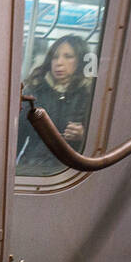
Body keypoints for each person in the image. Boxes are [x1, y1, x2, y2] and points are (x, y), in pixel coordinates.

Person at [17, 34, 95, 174]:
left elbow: (102, 141)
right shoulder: (35, 91)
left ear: (80, 60)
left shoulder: (90, 95)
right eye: (55, 57)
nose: (59, 62)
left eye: (68, 56)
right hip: (33, 166)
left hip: (72, 172)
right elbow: (18, 136)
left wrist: (84, 136)